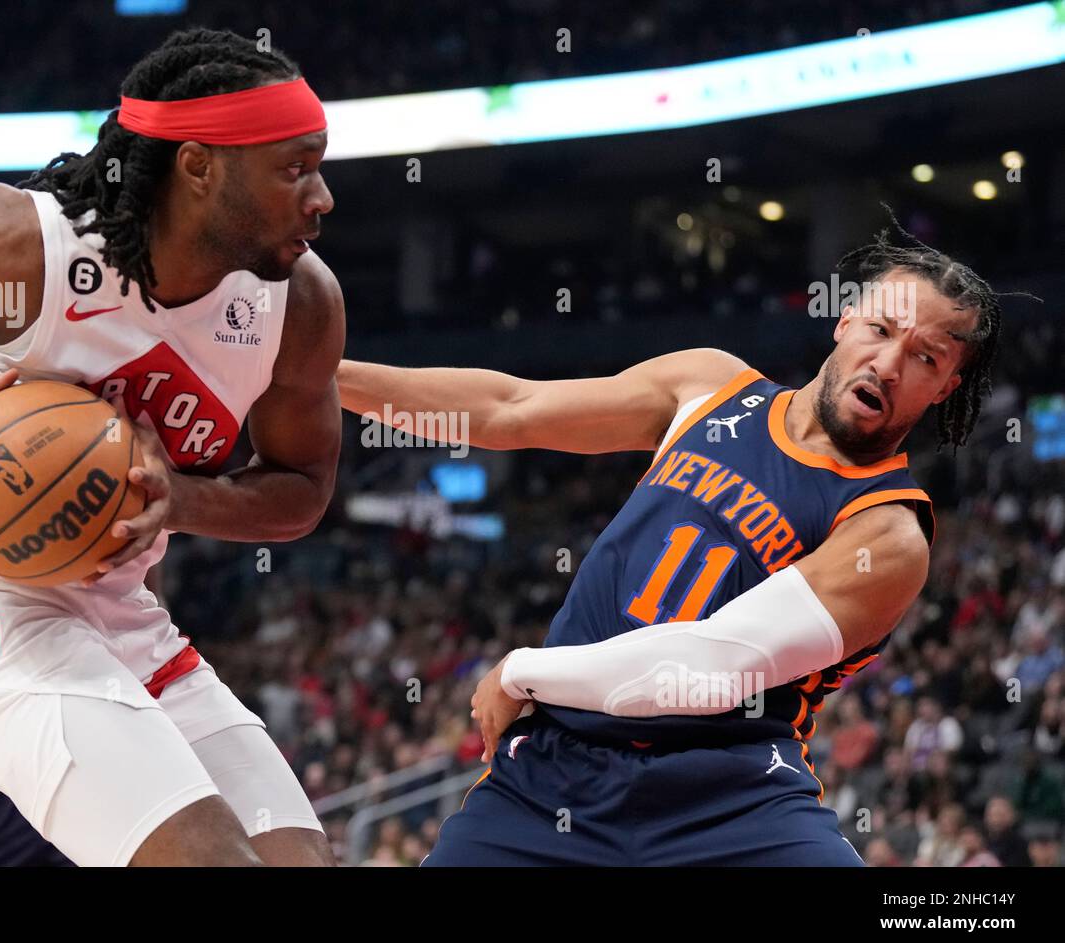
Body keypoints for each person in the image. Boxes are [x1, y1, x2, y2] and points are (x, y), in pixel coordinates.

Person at [0, 28, 344, 866]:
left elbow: (304, 490)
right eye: (295, 168)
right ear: (200, 167)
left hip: (124, 617)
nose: (322, 197)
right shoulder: (22, 248)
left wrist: (184, 495)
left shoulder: (299, 305)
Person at [339, 229, 1001, 865]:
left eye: (925, 357)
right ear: (845, 320)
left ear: (944, 388)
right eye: (881, 330)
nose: (887, 364)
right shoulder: (711, 385)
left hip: (733, 799)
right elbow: (509, 407)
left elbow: (709, 667)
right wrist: (324, 378)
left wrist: (521, 669)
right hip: (554, 773)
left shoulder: (887, 531)